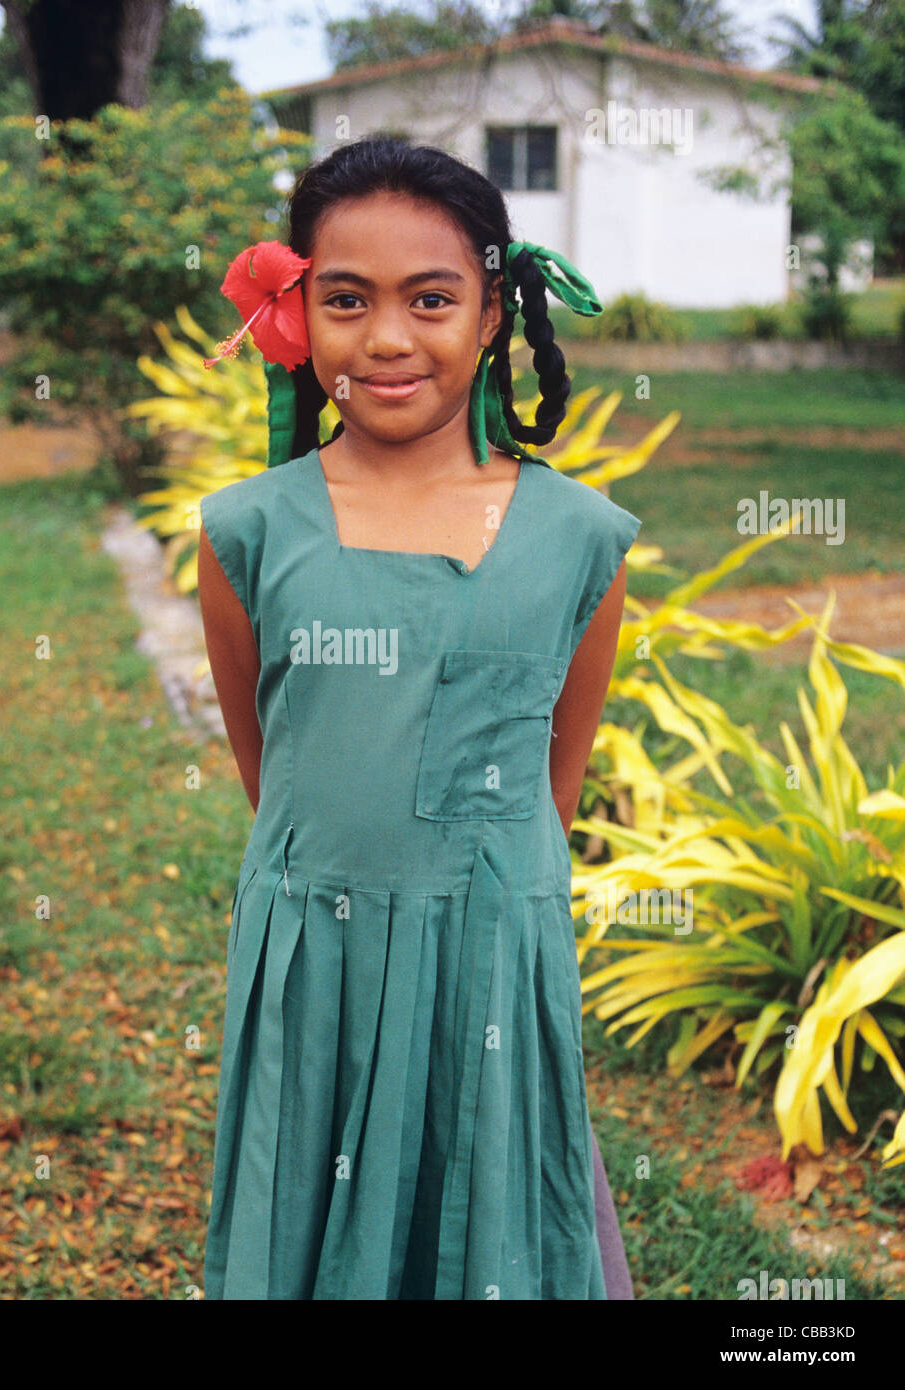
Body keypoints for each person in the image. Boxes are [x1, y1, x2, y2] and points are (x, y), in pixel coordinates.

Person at [196, 137, 641, 1300]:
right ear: (298, 315)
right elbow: (276, 771)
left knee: (485, 1226)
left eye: (431, 298)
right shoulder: (246, 533)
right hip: (317, 969)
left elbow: (554, 784)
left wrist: (463, 905)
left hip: (493, 964)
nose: (388, 339)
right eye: (347, 301)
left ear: (495, 311)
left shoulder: (581, 540)